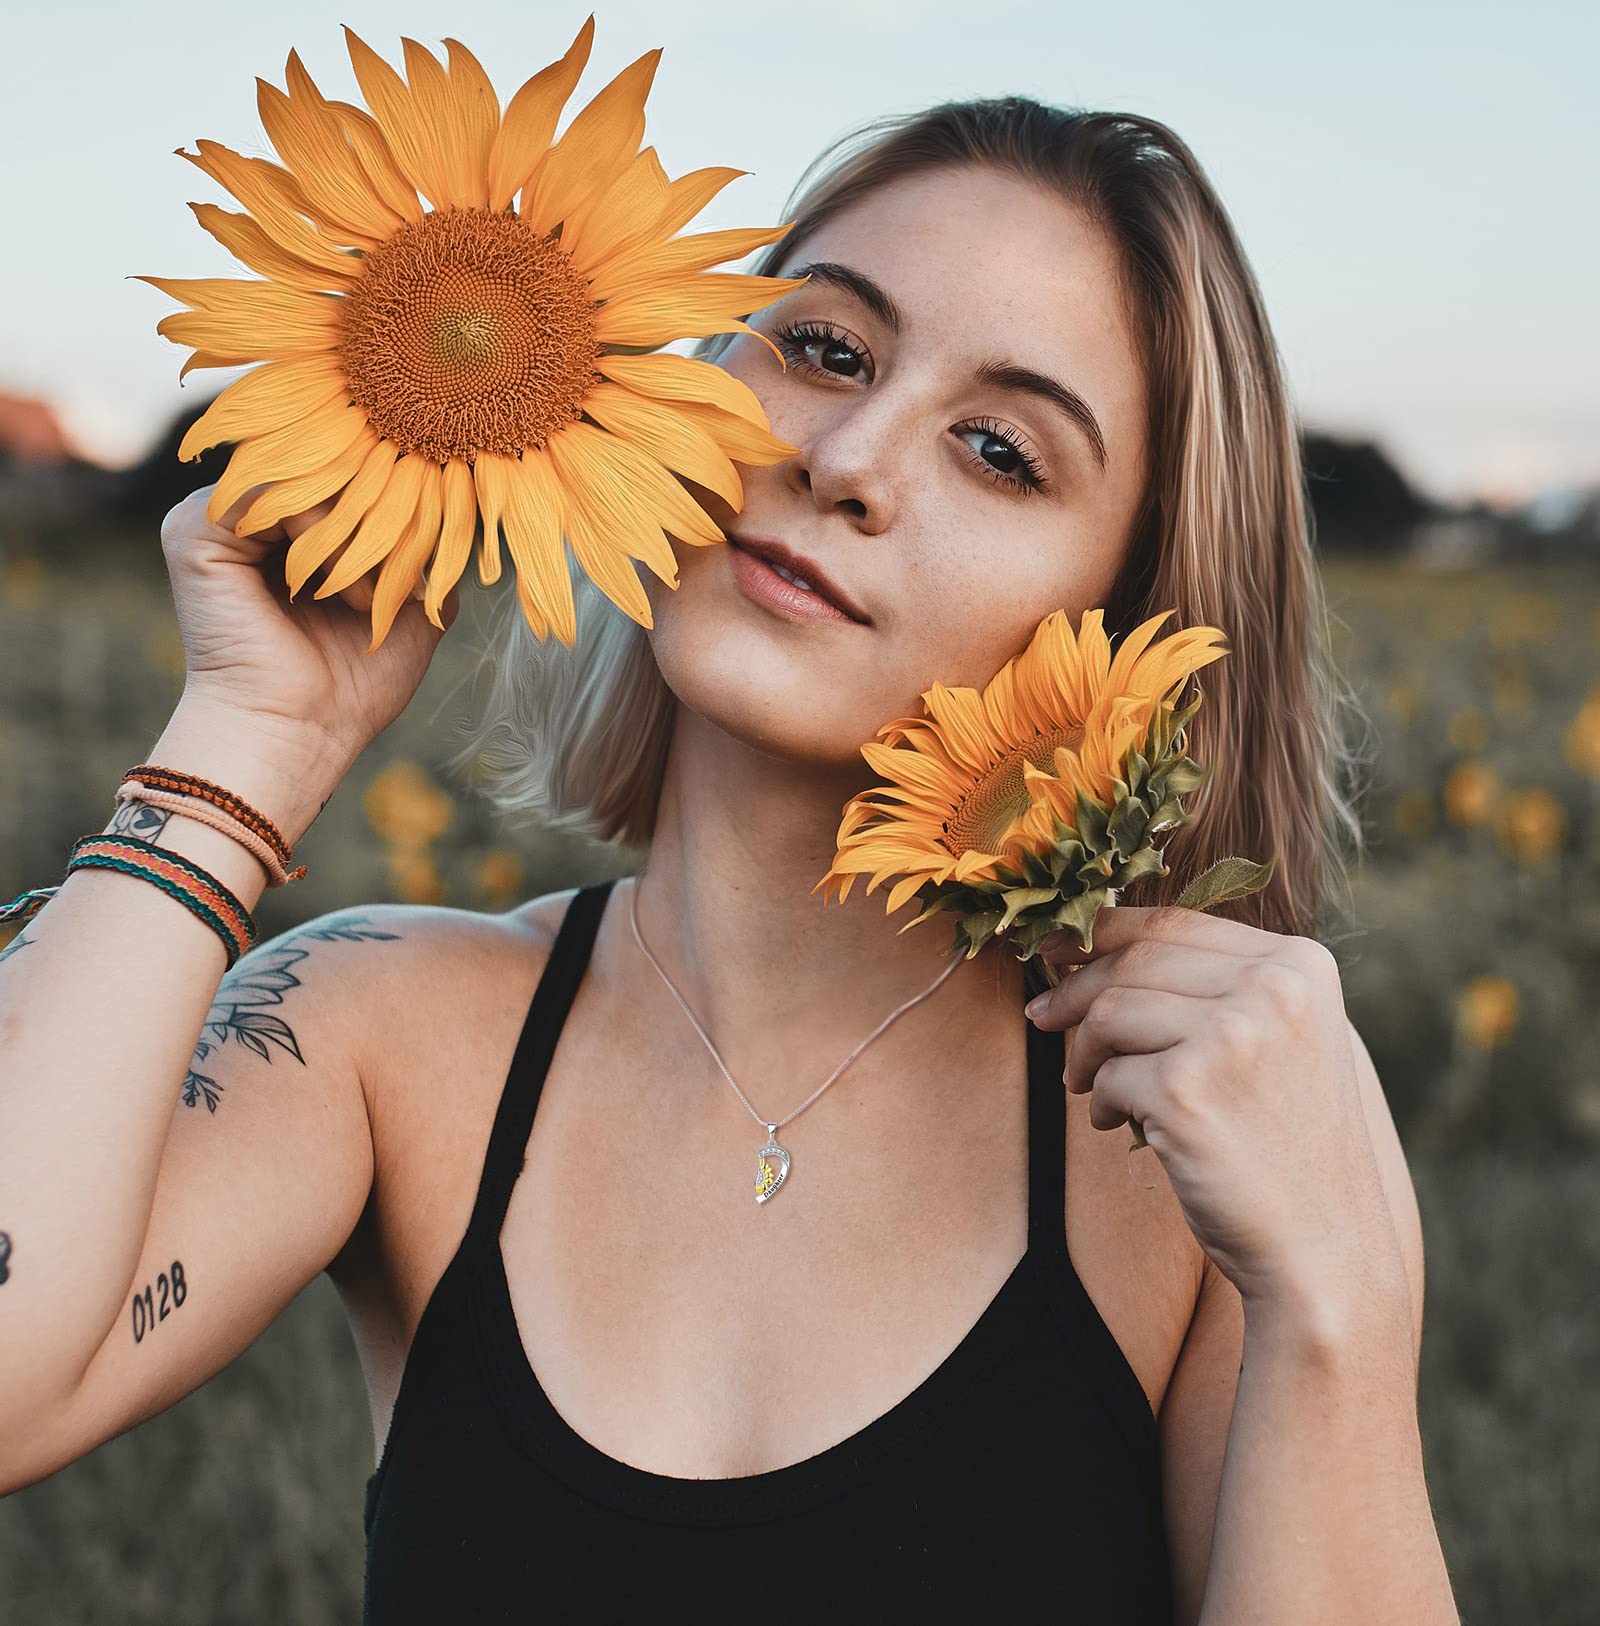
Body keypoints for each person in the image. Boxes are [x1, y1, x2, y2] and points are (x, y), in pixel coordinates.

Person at [0, 96, 1459, 1622]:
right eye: (824, 347)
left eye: (998, 450)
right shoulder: (393, 1036)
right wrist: (247, 733)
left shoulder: (1185, 1163)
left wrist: (1342, 1308)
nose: (848, 457)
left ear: (1128, 615)